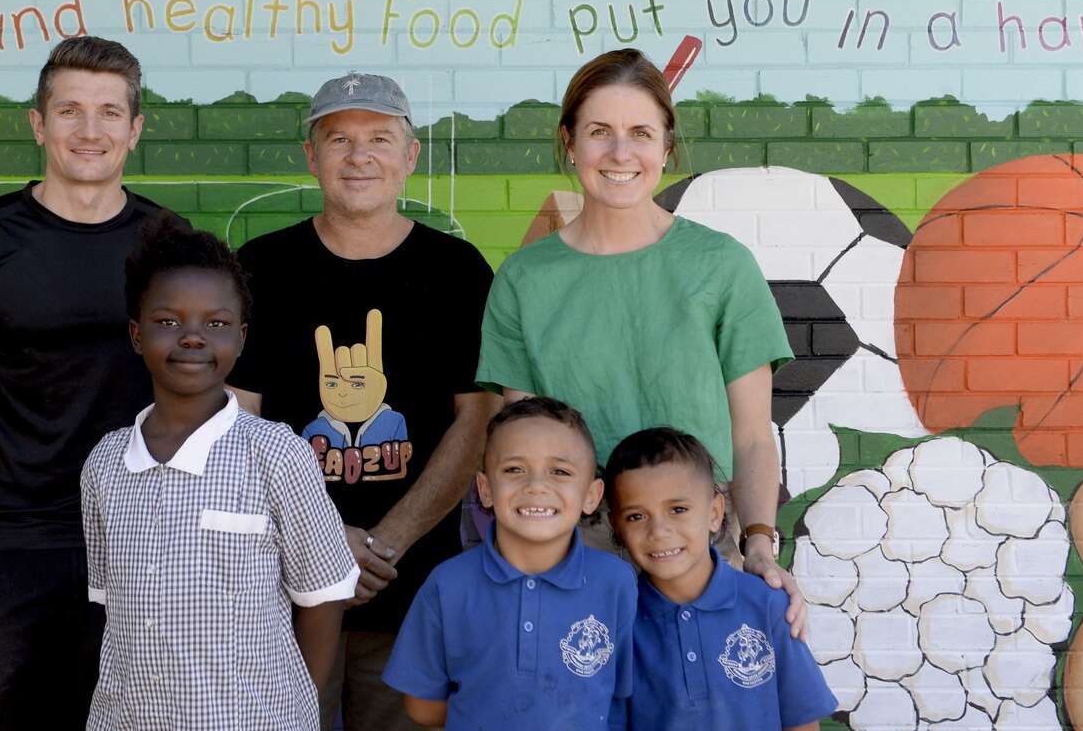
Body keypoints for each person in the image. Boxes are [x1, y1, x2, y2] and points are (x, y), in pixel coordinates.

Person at [476, 47, 806, 636]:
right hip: (574, 545)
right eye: (599, 131)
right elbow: (522, 446)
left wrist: (758, 543)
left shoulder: (722, 265)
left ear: (667, 145)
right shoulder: (524, 279)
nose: (621, 153)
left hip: (696, 539)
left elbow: (753, 435)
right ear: (569, 142)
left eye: (641, 133)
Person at [229, 71, 499, 730]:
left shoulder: (458, 272)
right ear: (311, 155)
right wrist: (322, 543)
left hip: (411, 589)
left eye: (379, 138)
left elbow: (478, 421)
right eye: (338, 139)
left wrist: (384, 542)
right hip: (283, 593)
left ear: (410, 156)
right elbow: (235, 426)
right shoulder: (259, 268)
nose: (359, 156)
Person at [0, 36, 173, 729]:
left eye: (109, 112)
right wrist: (7, 475)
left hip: (136, 540)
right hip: (6, 547)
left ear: (134, 129)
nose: (90, 130)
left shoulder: (166, 242)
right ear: (38, 123)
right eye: (69, 111)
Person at [81, 218, 359, 730]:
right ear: (137, 335)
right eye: (168, 321)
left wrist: (296, 713)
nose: (192, 337)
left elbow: (324, 597)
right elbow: (112, 609)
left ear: (241, 337)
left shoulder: (277, 454)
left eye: (216, 323)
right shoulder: (105, 464)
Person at [382, 397, 638, 730]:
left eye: (560, 471)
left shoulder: (615, 583)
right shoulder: (448, 584)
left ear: (592, 495)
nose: (536, 486)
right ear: (485, 489)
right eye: (514, 469)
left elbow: (624, 694)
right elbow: (422, 707)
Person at [607, 427, 836, 731]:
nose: (659, 531)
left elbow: (802, 721)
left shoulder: (767, 605)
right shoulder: (619, 623)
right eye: (636, 516)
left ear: (714, 513)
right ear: (616, 526)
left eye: (678, 509)